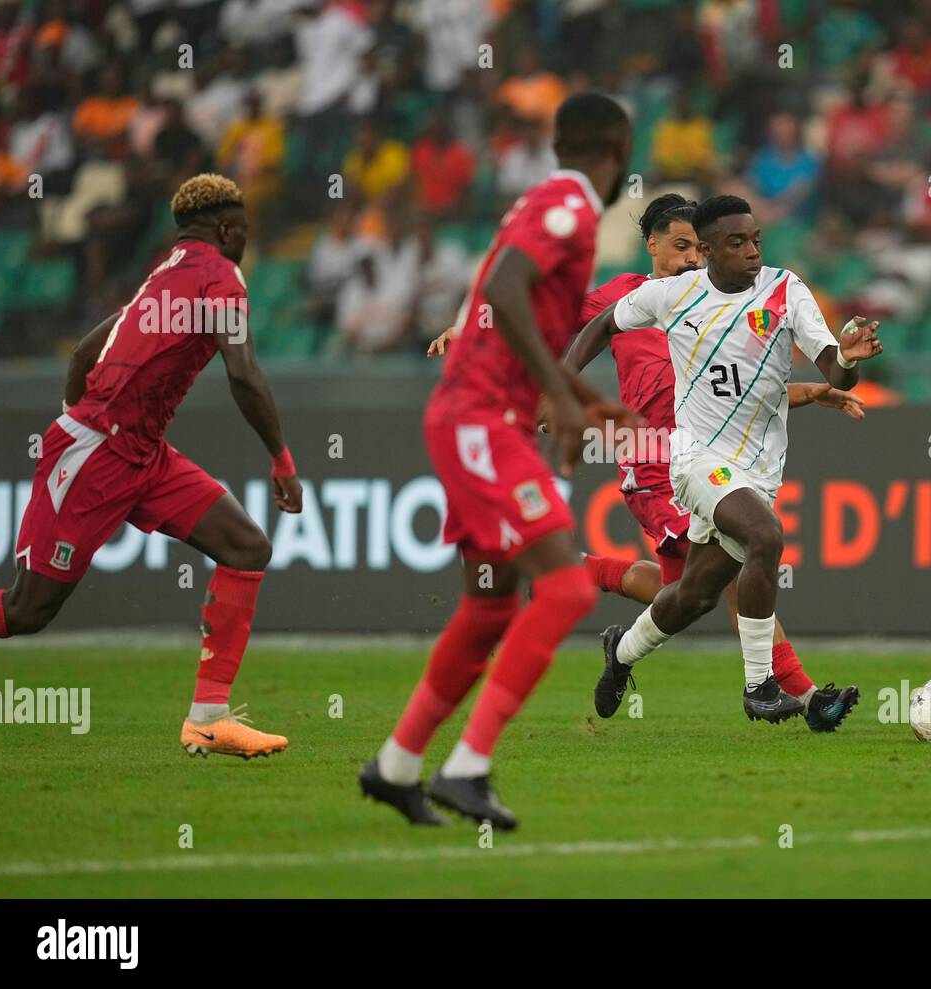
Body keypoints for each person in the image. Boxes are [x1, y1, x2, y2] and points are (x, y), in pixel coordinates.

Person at [359, 94, 638, 832]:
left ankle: (393, 766)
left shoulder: (540, 202)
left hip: (482, 417)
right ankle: (467, 766)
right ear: (617, 148)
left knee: (488, 608)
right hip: (482, 423)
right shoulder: (571, 205)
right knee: (569, 589)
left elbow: (504, 315)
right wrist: (562, 395)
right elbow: (509, 290)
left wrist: (582, 395)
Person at [0, 174, 304, 760]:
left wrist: (86, 419)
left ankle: (209, 719)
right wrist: (281, 458)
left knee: (245, 546)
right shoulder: (220, 276)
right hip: (100, 453)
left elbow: (85, 351)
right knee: (26, 610)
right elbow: (244, 373)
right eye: (244, 232)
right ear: (228, 229)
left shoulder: (165, 273)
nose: (246, 244)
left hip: (141, 453)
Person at [562, 193, 864, 732]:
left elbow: (830, 367)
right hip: (686, 460)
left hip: (758, 471)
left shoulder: (785, 290)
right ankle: (766, 687)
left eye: (755, 241)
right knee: (764, 538)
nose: (751, 252)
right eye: (736, 242)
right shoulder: (661, 295)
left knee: (692, 594)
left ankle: (622, 652)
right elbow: (586, 323)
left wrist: (844, 362)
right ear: (702, 248)